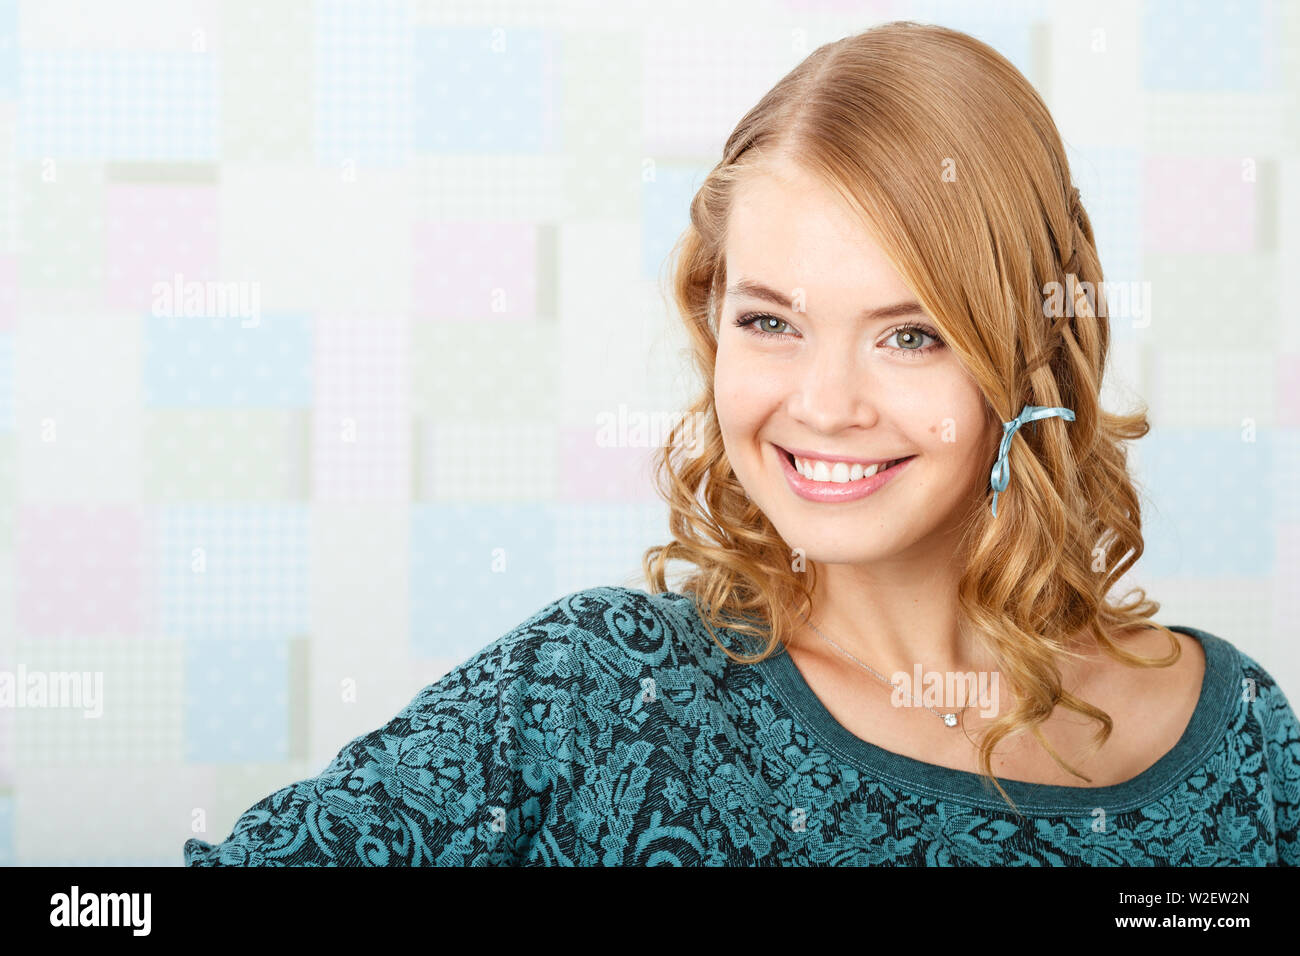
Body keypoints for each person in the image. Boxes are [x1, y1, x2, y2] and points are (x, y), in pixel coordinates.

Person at [184, 21, 1299, 866]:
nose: (823, 402)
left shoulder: (1239, 732)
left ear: (1029, 352)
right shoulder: (599, 694)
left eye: (909, 334)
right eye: (770, 320)